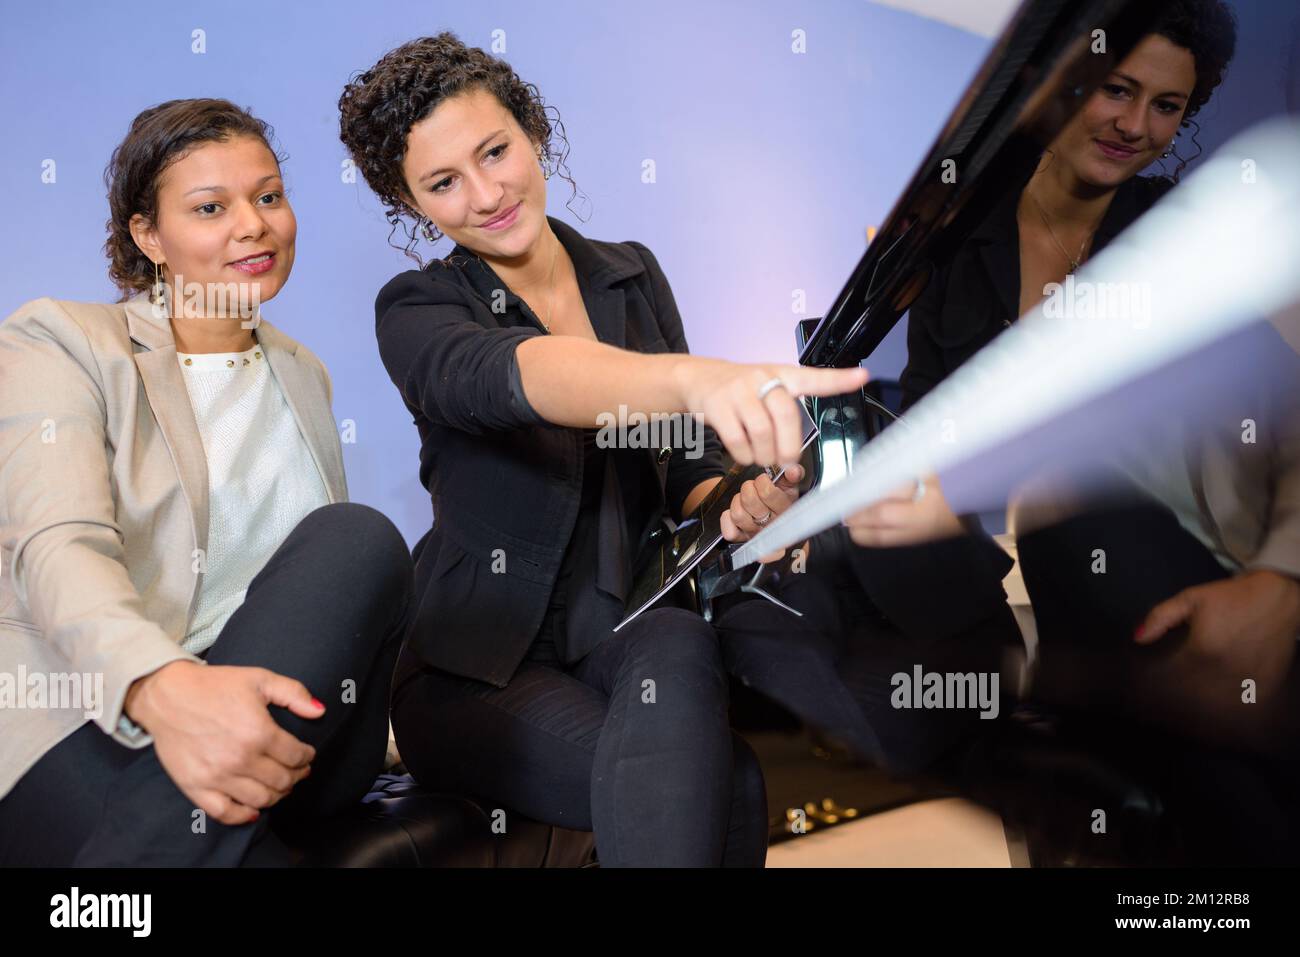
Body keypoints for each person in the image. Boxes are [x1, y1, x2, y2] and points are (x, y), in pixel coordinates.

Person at [338, 33, 868, 866]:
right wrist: (691, 380)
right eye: (443, 183)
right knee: (721, 783)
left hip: (621, 626)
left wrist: (738, 500)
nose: (485, 194)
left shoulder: (629, 274)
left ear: (532, 129)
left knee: (685, 649)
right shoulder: (417, 308)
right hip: (475, 671)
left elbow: (689, 465)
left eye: (495, 151)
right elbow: (515, 375)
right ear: (414, 206)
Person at [0, 99, 413, 866]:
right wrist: (168, 688)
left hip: (279, 723)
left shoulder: (303, 374)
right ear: (147, 236)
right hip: (94, 706)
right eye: (210, 207)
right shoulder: (64, 341)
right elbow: (59, 546)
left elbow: (312, 599)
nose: (253, 225)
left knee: (357, 538)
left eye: (268, 196)